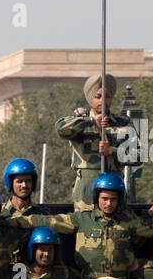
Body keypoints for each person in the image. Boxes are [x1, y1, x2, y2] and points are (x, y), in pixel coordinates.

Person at [31, 173, 153, 279]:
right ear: (96, 197)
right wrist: (14, 220)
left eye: (113, 199)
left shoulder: (128, 221)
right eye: (105, 198)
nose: (109, 203)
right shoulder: (83, 219)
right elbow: (50, 221)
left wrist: (147, 215)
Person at [56, 73, 133, 209]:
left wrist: (112, 151)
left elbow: (138, 155)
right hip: (86, 187)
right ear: (91, 98)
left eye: (107, 97)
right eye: (98, 96)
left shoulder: (123, 123)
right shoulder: (80, 120)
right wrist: (90, 121)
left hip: (114, 186)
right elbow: (61, 128)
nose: (103, 101)